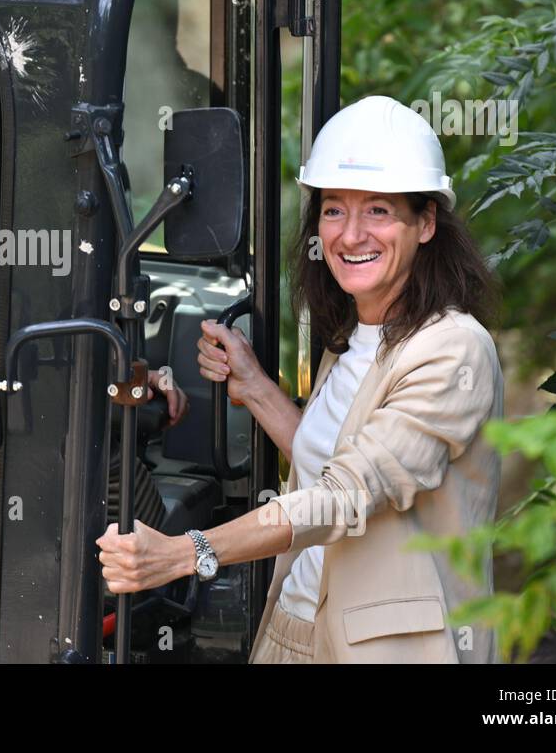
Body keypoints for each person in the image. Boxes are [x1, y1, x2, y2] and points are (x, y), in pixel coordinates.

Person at [96, 95, 504, 663]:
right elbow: (331, 464)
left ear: (426, 223)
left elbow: (347, 496)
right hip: (296, 618)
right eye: (334, 210)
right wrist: (257, 387)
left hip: (387, 648)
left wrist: (186, 552)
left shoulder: (453, 349)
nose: (350, 234)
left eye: (379, 211)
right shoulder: (356, 338)